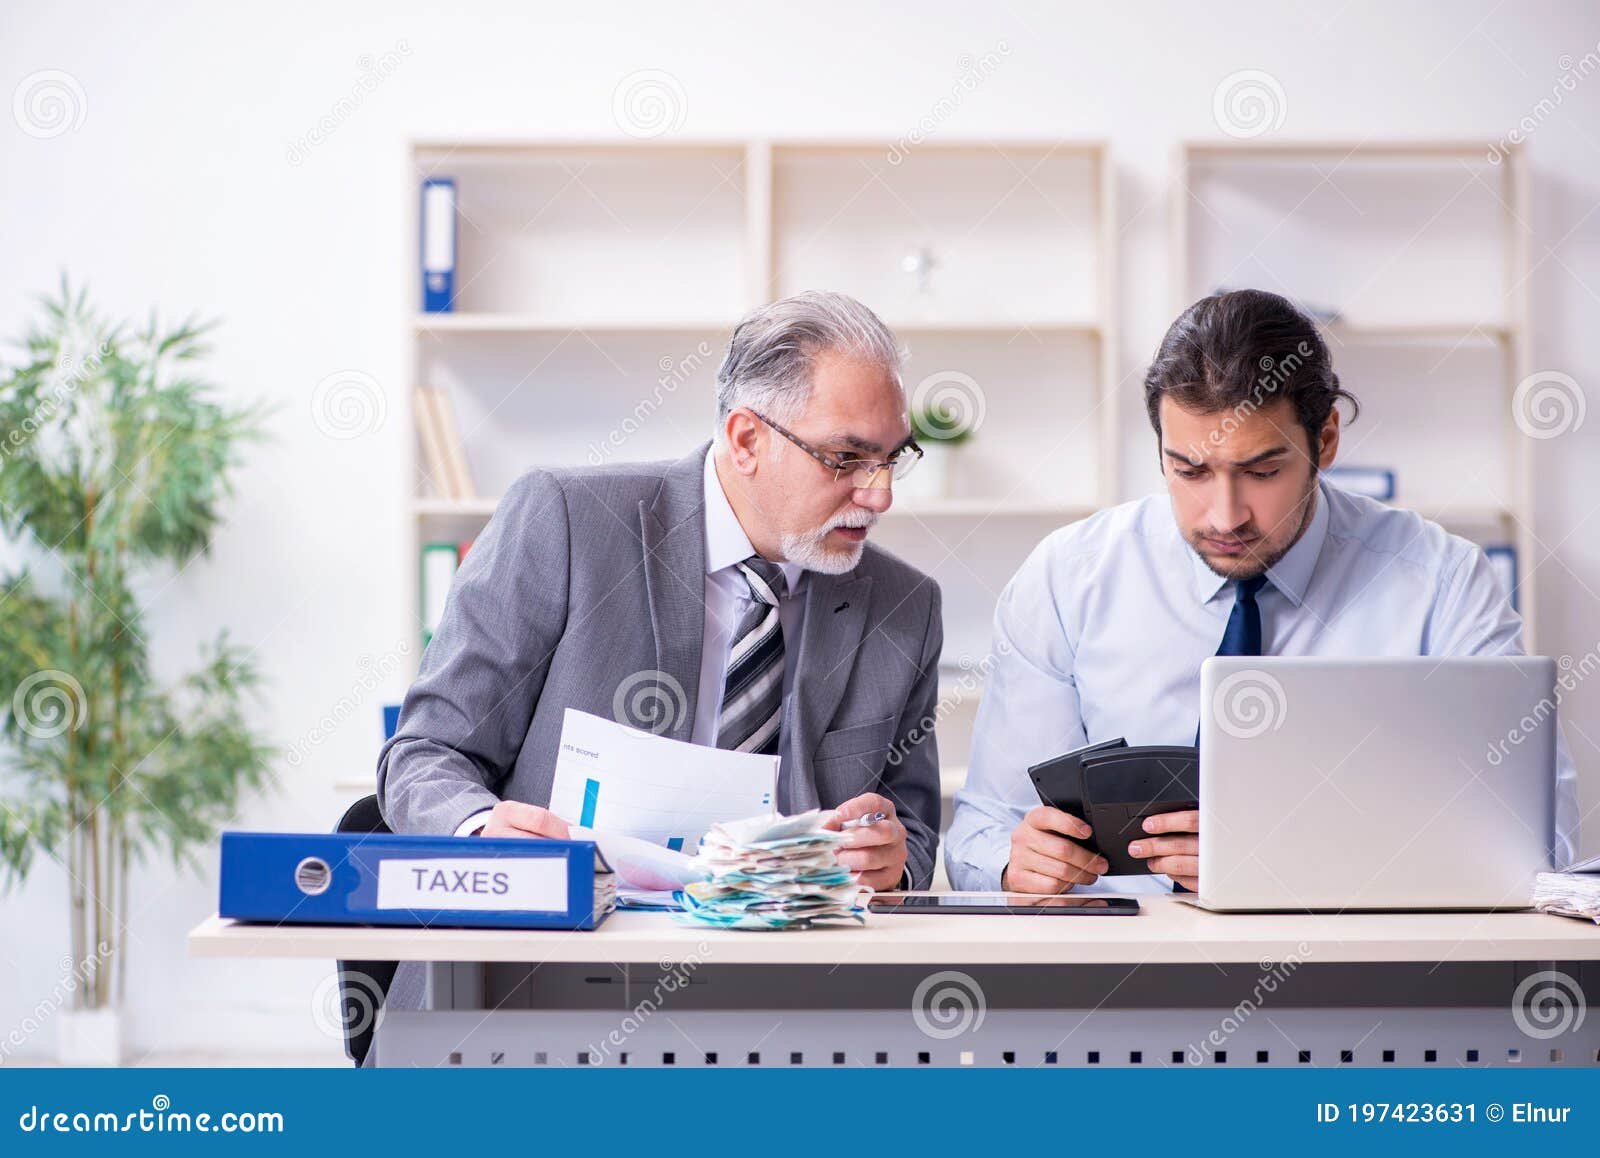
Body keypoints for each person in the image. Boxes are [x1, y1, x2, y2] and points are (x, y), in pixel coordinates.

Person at [945, 288, 1579, 894]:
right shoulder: (1068, 577)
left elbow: (1536, 842)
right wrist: (1014, 863)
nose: (1224, 516)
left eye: (1263, 471)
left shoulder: (1442, 582)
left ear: (1325, 440)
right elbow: (980, 830)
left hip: (1363, 972)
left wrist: (1294, 860)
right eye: (1189, 470)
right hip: (1126, 972)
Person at [378, 290, 943, 893]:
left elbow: (911, 824)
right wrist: (482, 828)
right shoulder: (569, 523)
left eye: (892, 457)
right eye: (847, 457)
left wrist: (891, 859)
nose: (879, 494)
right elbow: (424, 754)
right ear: (747, 439)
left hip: (789, 967)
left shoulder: (904, 606)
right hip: (557, 957)